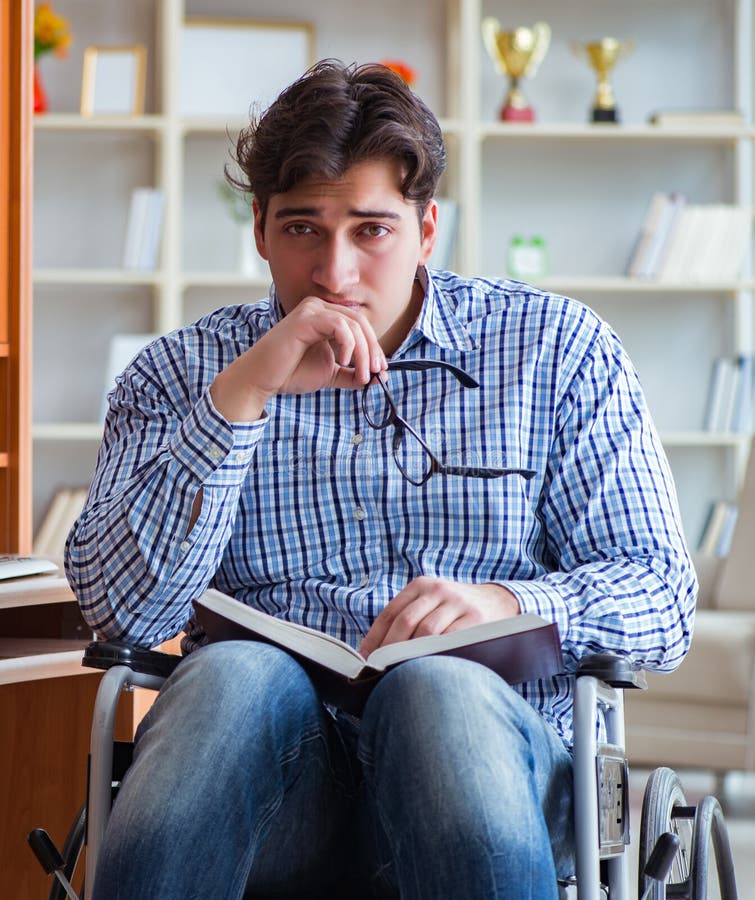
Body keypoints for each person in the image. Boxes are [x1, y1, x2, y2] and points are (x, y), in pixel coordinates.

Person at [66, 60, 697, 900]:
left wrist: (506, 603)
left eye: (370, 230)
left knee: (436, 689)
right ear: (258, 229)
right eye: (302, 228)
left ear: (426, 229)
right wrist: (239, 398)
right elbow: (122, 615)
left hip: (494, 776)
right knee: (232, 675)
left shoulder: (558, 351)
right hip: (275, 795)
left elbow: (660, 596)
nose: (334, 274)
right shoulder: (179, 375)